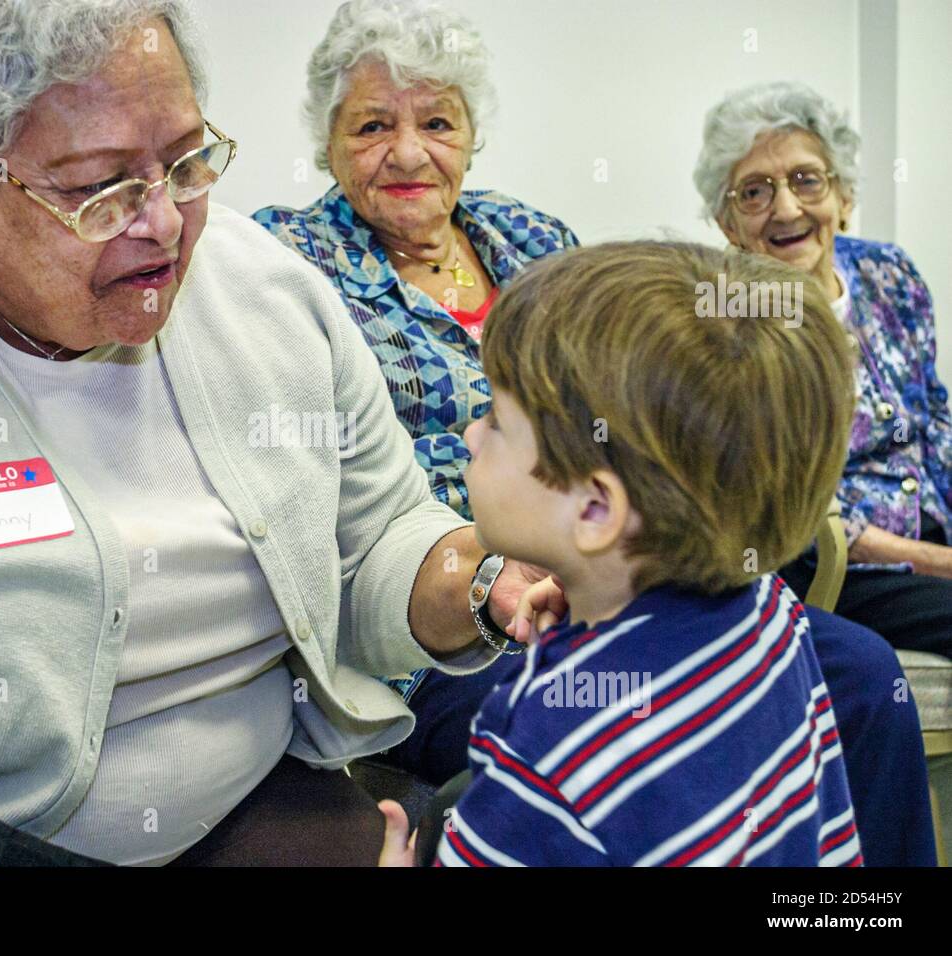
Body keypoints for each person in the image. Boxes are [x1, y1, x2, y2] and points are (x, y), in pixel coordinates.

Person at [0, 0, 561, 867]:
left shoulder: (266, 296)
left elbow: (375, 541)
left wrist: (477, 580)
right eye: (98, 188)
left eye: (185, 161)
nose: (164, 223)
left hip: (257, 801)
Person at [256, 1, 937, 865]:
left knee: (865, 676)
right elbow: (303, 499)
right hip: (439, 623)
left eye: (436, 121)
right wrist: (487, 577)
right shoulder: (287, 265)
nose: (409, 150)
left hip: (626, 567)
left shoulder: (530, 235)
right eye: (372, 124)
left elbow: (644, 388)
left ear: (472, 134)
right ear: (327, 140)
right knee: (623, 735)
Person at [379, 241, 862, 866]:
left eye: (496, 419)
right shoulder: (772, 611)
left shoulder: (547, 749)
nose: (471, 433)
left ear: (596, 511)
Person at [695, 80, 952, 658]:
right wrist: (940, 563)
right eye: (754, 192)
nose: (787, 208)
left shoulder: (889, 274)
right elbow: (797, 506)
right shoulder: (729, 319)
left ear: (845, 196)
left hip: (932, 533)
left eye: (806, 180)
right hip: (843, 567)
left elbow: (934, 421)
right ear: (727, 223)